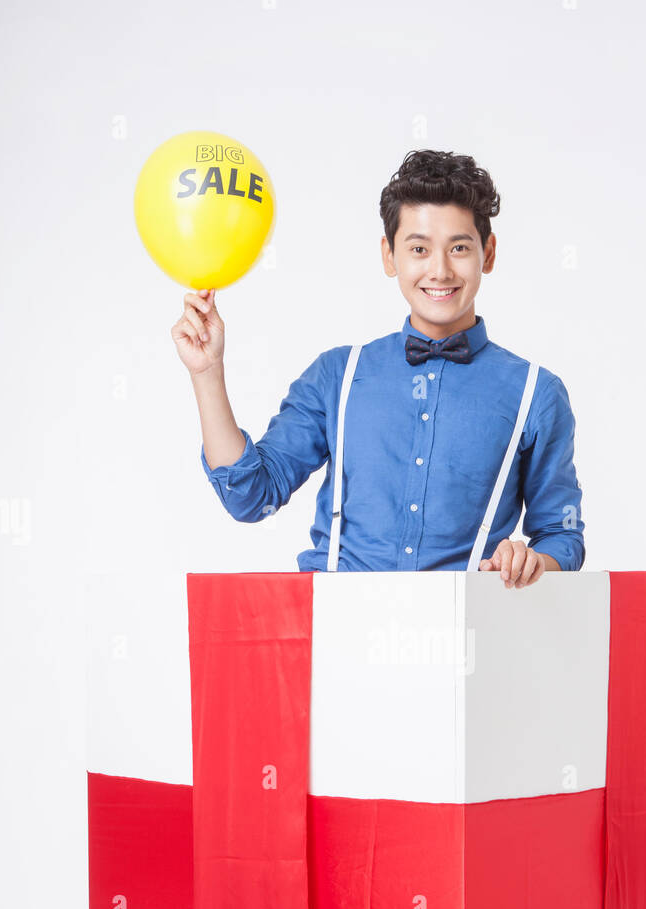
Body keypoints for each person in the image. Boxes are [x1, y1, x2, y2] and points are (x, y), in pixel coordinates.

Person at [172, 149, 584, 589]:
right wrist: (207, 371)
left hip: (467, 635)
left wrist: (531, 559)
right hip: (337, 633)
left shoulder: (536, 392)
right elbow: (250, 497)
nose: (440, 270)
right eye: (419, 249)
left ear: (489, 253)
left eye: (459, 248)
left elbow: (562, 537)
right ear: (390, 256)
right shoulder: (338, 375)